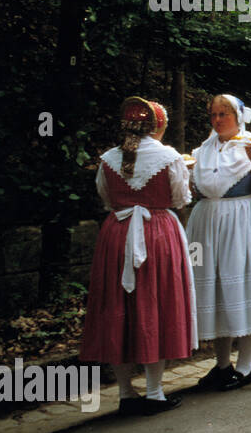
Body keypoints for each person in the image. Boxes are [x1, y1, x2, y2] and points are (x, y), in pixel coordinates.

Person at [81, 98, 195, 415]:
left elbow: (106, 198)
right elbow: (180, 198)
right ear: (159, 126)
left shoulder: (109, 158)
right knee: (157, 306)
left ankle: (126, 393)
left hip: (116, 235)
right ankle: (155, 391)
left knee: (117, 309)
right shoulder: (169, 157)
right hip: (156, 233)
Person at [189, 94, 251, 391]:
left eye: (224, 114)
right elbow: (195, 189)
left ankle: (245, 366)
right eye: (214, 114)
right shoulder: (202, 151)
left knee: (244, 285)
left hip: (242, 220)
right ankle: (221, 365)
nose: (218, 120)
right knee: (216, 289)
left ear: (239, 116)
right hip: (206, 221)